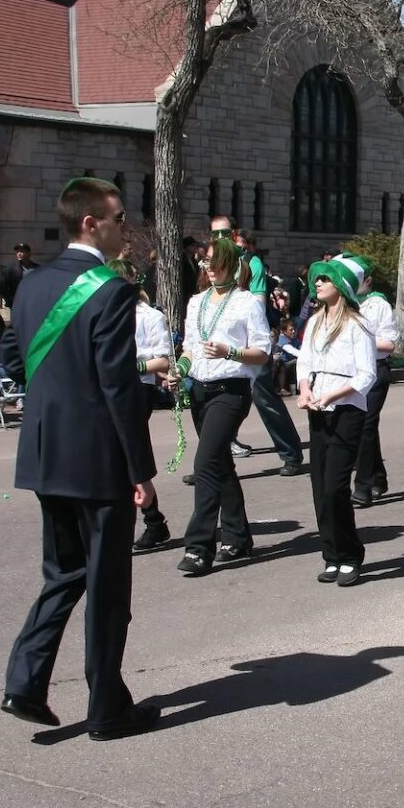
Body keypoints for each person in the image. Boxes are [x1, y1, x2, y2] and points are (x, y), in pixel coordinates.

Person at [0, 176, 160, 740]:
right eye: (117, 219)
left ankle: (25, 681)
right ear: (91, 222)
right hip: (98, 462)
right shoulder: (111, 291)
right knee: (107, 588)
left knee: (63, 574)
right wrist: (142, 470)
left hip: (46, 453)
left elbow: (12, 358)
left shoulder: (32, 283)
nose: (124, 230)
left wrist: (56, 399)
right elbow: (118, 388)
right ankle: (106, 709)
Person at [171, 237, 272, 576]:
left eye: (216, 261)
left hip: (232, 390)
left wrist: (230, 352)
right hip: (200, 389)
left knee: (205, 463)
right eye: (206, 262)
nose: (210, 267)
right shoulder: (197, 302)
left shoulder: (247, 302)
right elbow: (189, 349)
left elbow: (262, 351)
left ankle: (199, 547)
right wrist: (178, 373)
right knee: (219, 462)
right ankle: (238, 535)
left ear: (231, 262)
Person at [296, 257, 377, 587]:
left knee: (335, 487)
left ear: (341, 285)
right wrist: (304, 390)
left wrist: (333, 395)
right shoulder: (315, 322)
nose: (317, 283)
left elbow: (367, 374)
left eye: (325, 279)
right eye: (316, 279)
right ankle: (331, 554)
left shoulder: (358, 325)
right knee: (319, 487)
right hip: (318, 410)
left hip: (346, 411)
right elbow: (304, 363)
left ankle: (350, 554)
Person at [213, 218, 306, 476]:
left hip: (252, 340)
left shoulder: (250, 263)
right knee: (223, 399)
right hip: (227, 341)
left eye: (225, 234)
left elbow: (256, 302)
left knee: (264, 398)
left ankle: (291, 454)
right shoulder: (218, 264)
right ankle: (212, 460)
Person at [104, 260, 175, 552]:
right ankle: (151, 520)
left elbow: (163, 359)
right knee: (114, 456)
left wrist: (130, 365)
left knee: (128, 452)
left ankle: (152, 521)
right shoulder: (106, 315)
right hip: (108, 390)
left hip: (136, 389)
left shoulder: (149, 316)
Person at [344, 256, 397, 508]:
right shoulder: (344, 304)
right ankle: (378, 477)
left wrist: (360, 342)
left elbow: (389, 344)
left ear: (367, 280)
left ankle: (362, 486)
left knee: (365, 424)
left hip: (375, 370)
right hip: (350, 372)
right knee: (365, 426)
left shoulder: (378, 305)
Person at [0, 243, 39, 308]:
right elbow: (2, 287)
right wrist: (10, 300)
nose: (19, 254)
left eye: (22, 251)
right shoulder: (10, 269)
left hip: (33, 303)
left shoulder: (37, 268)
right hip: (16, 304)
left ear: (28, 253)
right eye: (17, 252)